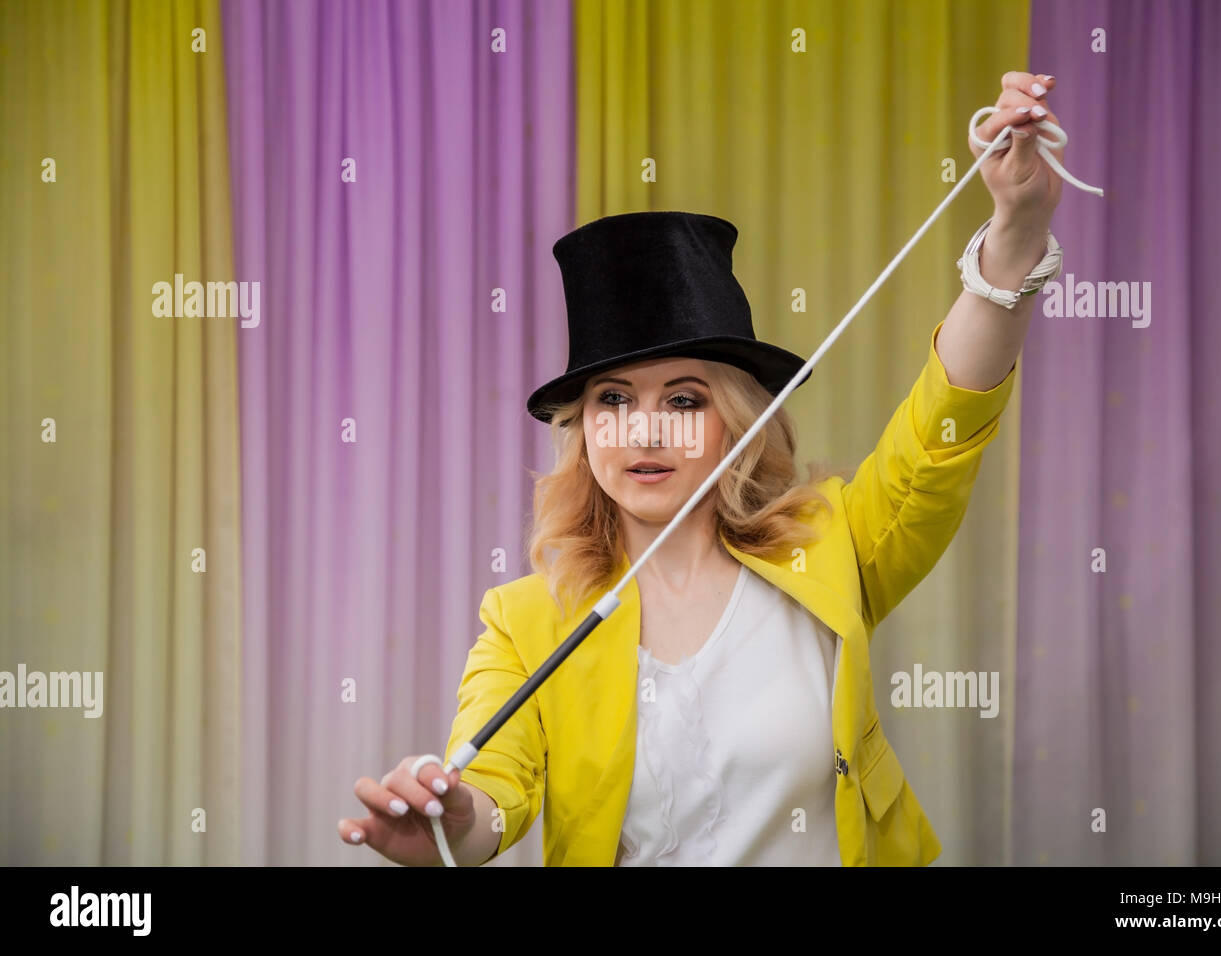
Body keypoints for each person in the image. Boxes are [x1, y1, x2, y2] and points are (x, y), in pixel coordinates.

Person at [340, 70, 1065, 866]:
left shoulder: (831, 547)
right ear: (584, 430)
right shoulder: (525, 621)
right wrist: (441, 820)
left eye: (684, 400)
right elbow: (494, 799)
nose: (644, 428)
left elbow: (940, 432)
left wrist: (1015, 229)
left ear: (736, 423)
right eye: (613, 399)